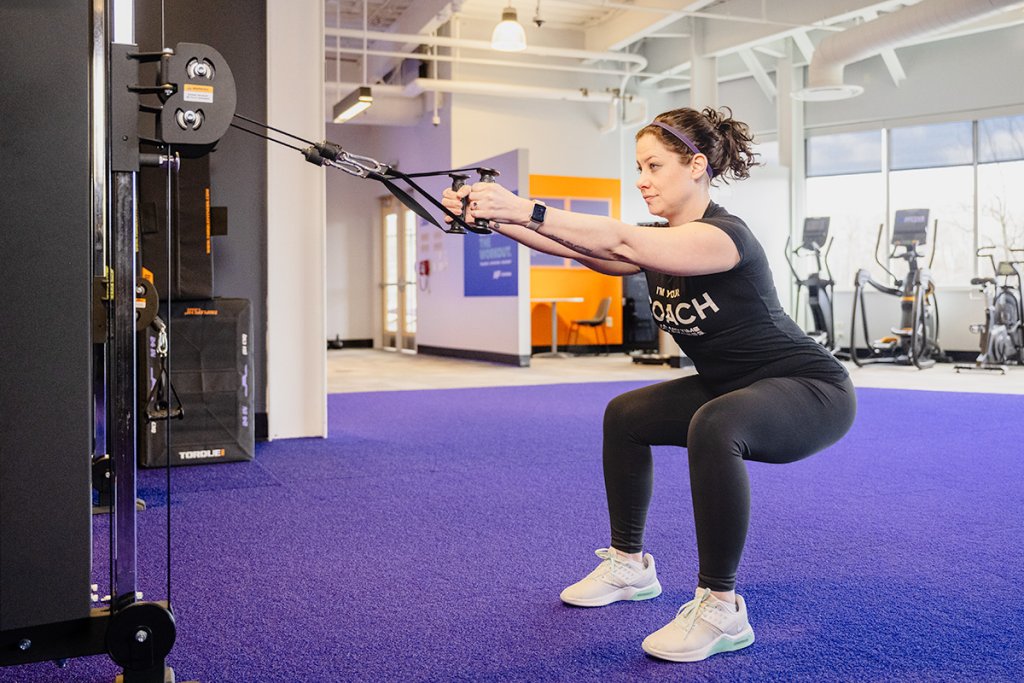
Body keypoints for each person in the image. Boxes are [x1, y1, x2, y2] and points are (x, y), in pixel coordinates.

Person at [441, 106, 857, 663]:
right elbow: (585, 249)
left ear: (697, 167)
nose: (642, 178)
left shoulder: (722, 237)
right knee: (626, 415)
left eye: (654, 165)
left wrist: (523, 206)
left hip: (808, 388)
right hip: (729, 383)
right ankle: (629, 566)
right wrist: (494, 219)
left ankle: (721, 607)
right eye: (639, 165)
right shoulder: (659, 240)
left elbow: (623, 241)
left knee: (716, 425)